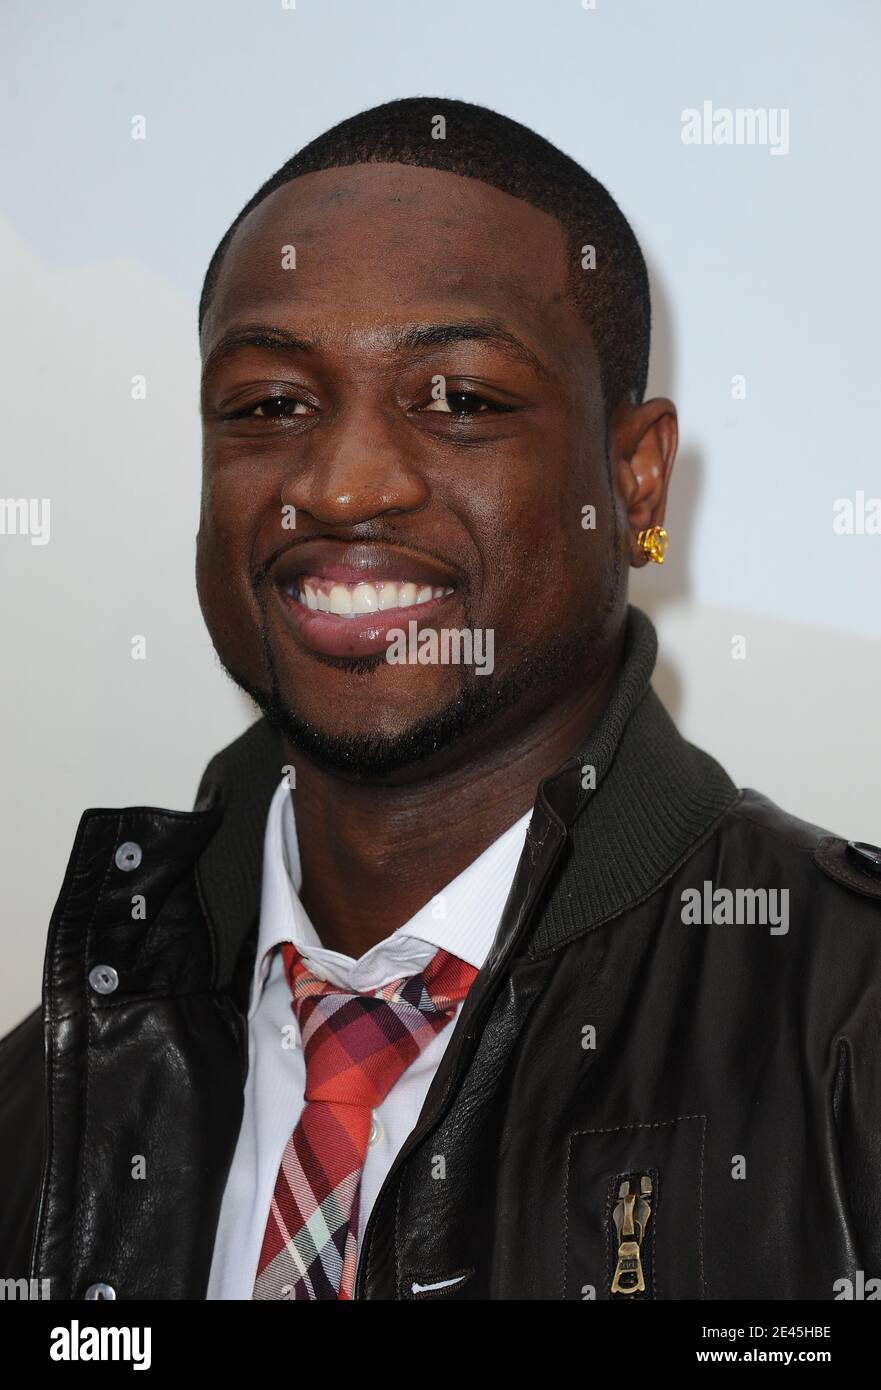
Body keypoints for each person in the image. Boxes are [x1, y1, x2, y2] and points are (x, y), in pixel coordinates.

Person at [2, 96, 879, 1303]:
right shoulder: (54, 1094)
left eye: (458, 398)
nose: (344, 483)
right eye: (270, 405)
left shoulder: (846, 1030)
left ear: (633, 481)